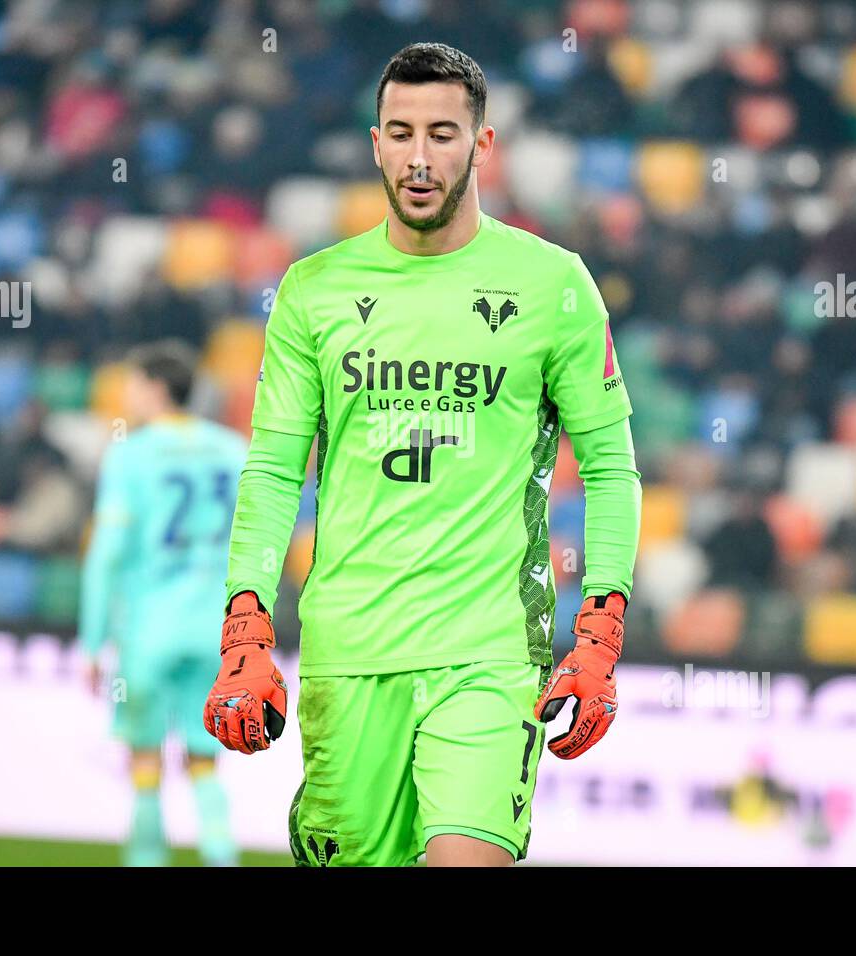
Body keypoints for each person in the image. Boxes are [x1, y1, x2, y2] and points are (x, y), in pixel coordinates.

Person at [205, 43, 641, 867]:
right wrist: (246, 627)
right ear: (375, 144)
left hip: (490, 648)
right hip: (348, 651)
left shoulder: (553, 285)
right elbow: (272, 469)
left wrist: (601, 630)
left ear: (482, 146)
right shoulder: (313, 290)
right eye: (400, 133)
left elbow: (612, 467)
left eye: (442, 134)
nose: (418, 157)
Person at [79, 341, 248, 866]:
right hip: (217, 631)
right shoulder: (233, 449)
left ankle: (147, 858)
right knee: (203, 760)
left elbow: (106, 555)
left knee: (146, 761)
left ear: (154, 389)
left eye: (132, 384)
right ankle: (222, 855)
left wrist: (91, 642)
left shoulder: (131, 452)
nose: (126, 394)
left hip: (151, 628)